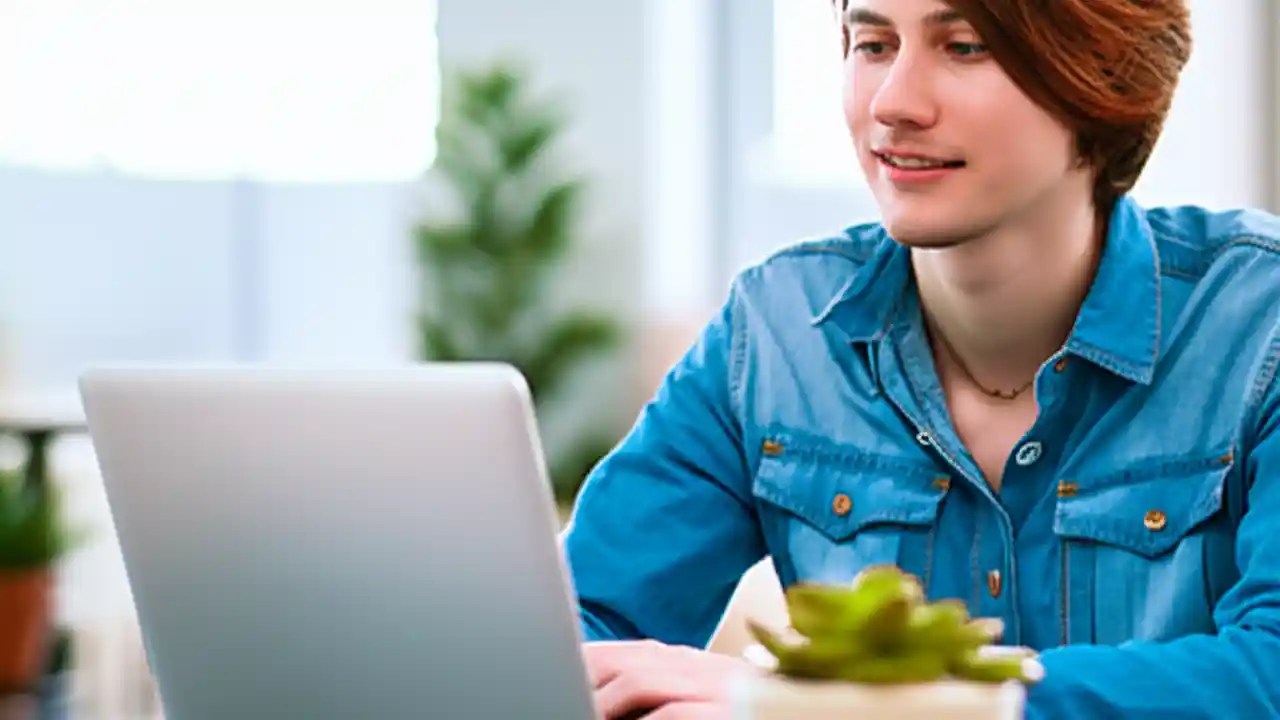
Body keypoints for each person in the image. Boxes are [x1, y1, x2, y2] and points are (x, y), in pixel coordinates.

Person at [563, 0, 1280, 717]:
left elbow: (1269, 670)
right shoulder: (779, 330)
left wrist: (823, 706)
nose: (894, 102)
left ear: (1105, 74)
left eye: (963, 46)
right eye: (873, 44)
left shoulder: (1258, 324)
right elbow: (572, 631)